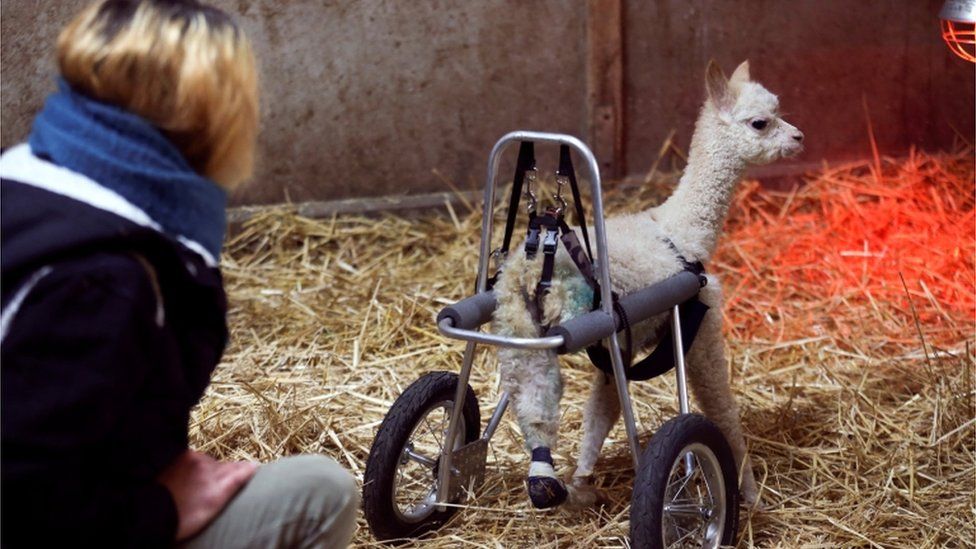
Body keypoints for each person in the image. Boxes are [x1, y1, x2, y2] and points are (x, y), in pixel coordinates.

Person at [0, 1, 358, 547]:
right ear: (210, 111)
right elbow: (24, 505)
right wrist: (161, 511)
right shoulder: (101, 279)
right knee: (318, 491)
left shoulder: (26, 173)